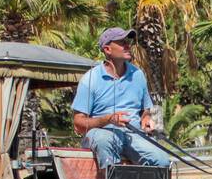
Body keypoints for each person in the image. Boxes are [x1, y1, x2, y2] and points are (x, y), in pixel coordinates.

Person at [72, 27, 170, 168]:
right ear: (107, 50)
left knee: (162, 160)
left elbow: (145, 110)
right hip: (102, 133)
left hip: (133, 134)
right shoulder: (90, 79)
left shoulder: (138, 75)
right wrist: (107, 119)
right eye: (121, 42)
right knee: (104, 141)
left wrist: (146, 119)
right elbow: (78, 123)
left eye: (127, 42)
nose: (127, 45)